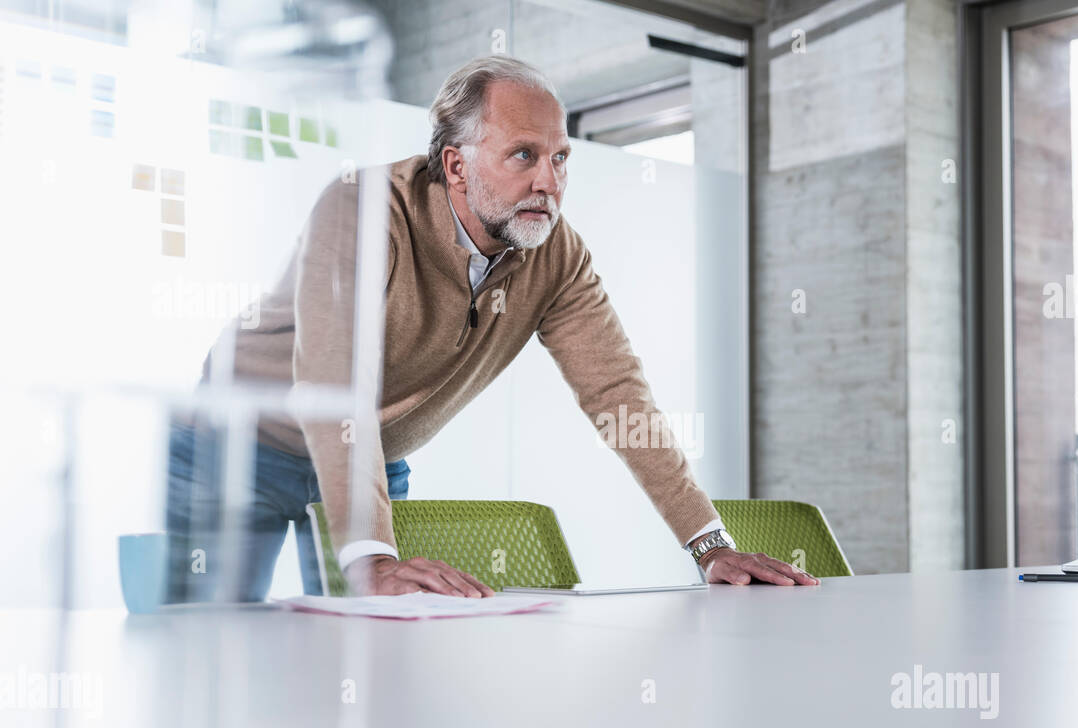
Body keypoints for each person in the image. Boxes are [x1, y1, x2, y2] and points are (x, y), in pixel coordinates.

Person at [166, 55, 818, 602]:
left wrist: (709, 545)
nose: (549, 182)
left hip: (373, 455)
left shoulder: (555, 255)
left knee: (372, 670)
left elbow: (619, 398)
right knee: (207, 651)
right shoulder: (363, 208)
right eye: (524, 155)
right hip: (234, 444)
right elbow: (332, 382)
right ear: (456, 166)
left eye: (561, 159)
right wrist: (369, 559)